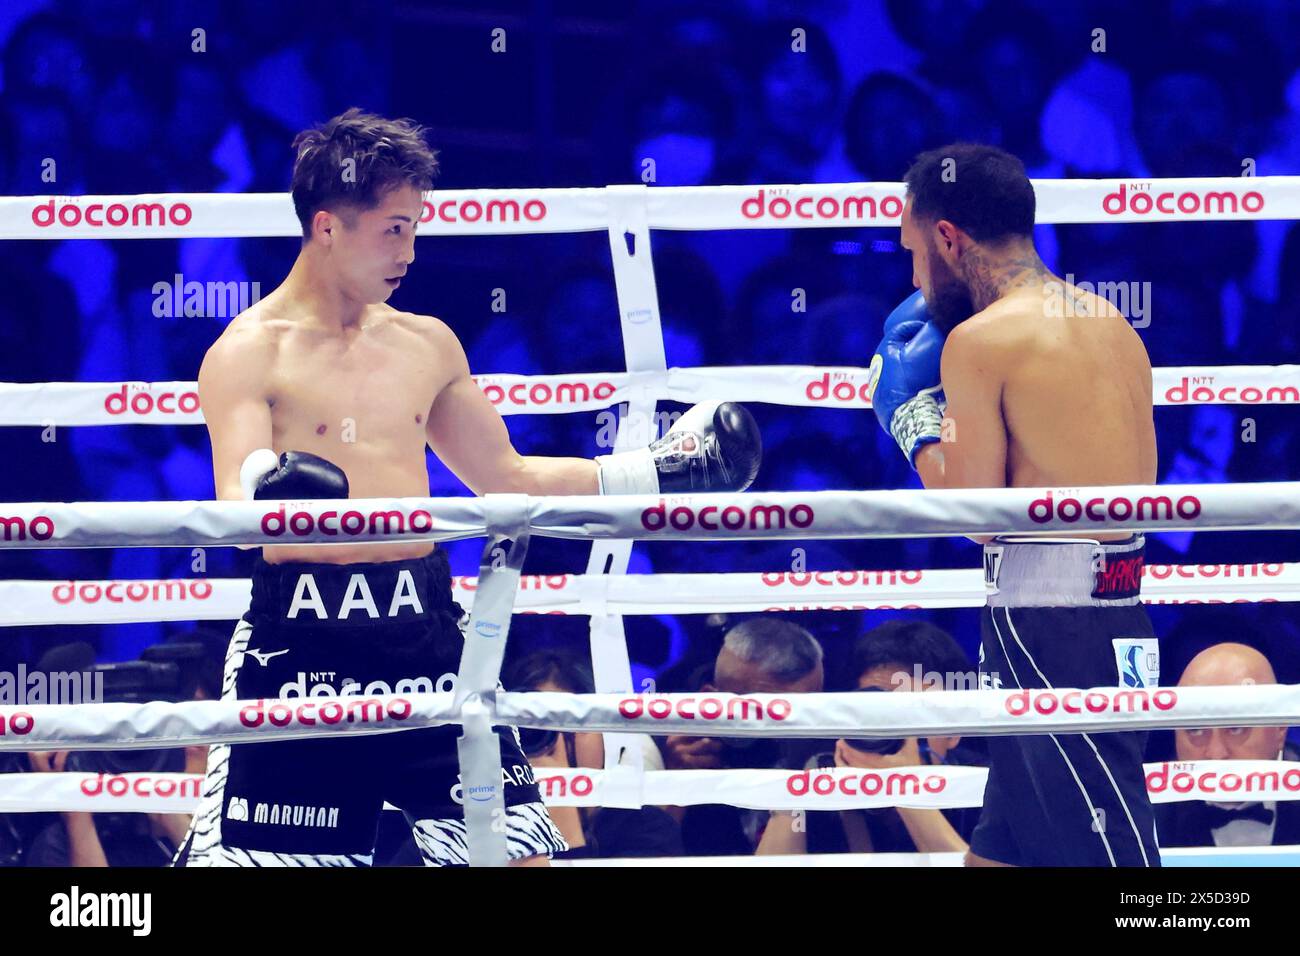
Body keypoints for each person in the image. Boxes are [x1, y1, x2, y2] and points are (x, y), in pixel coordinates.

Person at [176, 109, 762, 867]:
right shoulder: (247, 352)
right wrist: (275, 489)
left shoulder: (426, 342)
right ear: (326, 227)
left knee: (519, 857)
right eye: (393, 229)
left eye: (415, 227)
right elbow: (240, 498)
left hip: (424, 627)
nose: (410, 252)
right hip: (301, 642)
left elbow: (507, 476)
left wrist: (653, 472)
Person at [867, 143, 1160, 867]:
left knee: (1116, 861)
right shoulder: (1110, 323)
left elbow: (973, 519)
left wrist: (909, 417)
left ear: (946, 238)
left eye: (912, 251)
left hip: (1047, 627)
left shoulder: (980, 341)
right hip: (1118, 615)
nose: (913, 275)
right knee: (1002, 852)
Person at [758, 620, 985, 856]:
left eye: (916, 712)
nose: (895, 728)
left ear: (953, 731)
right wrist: (794, 784)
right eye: (879, 709)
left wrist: (903, 788)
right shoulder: (823, 776)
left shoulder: (983, 786)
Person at [658, 617, 825, 856]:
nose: (784, 733)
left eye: (803, 713)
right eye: (766, 713)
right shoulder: (669, 745)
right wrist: (677, 785)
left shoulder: (834, 753)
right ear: (712, 701)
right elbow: (645, 855)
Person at [1155, 643, 1300, 848]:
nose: (1216, 753)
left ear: (1280, 728)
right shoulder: (1145, 811)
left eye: (1235, 728)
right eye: (1195, 730)